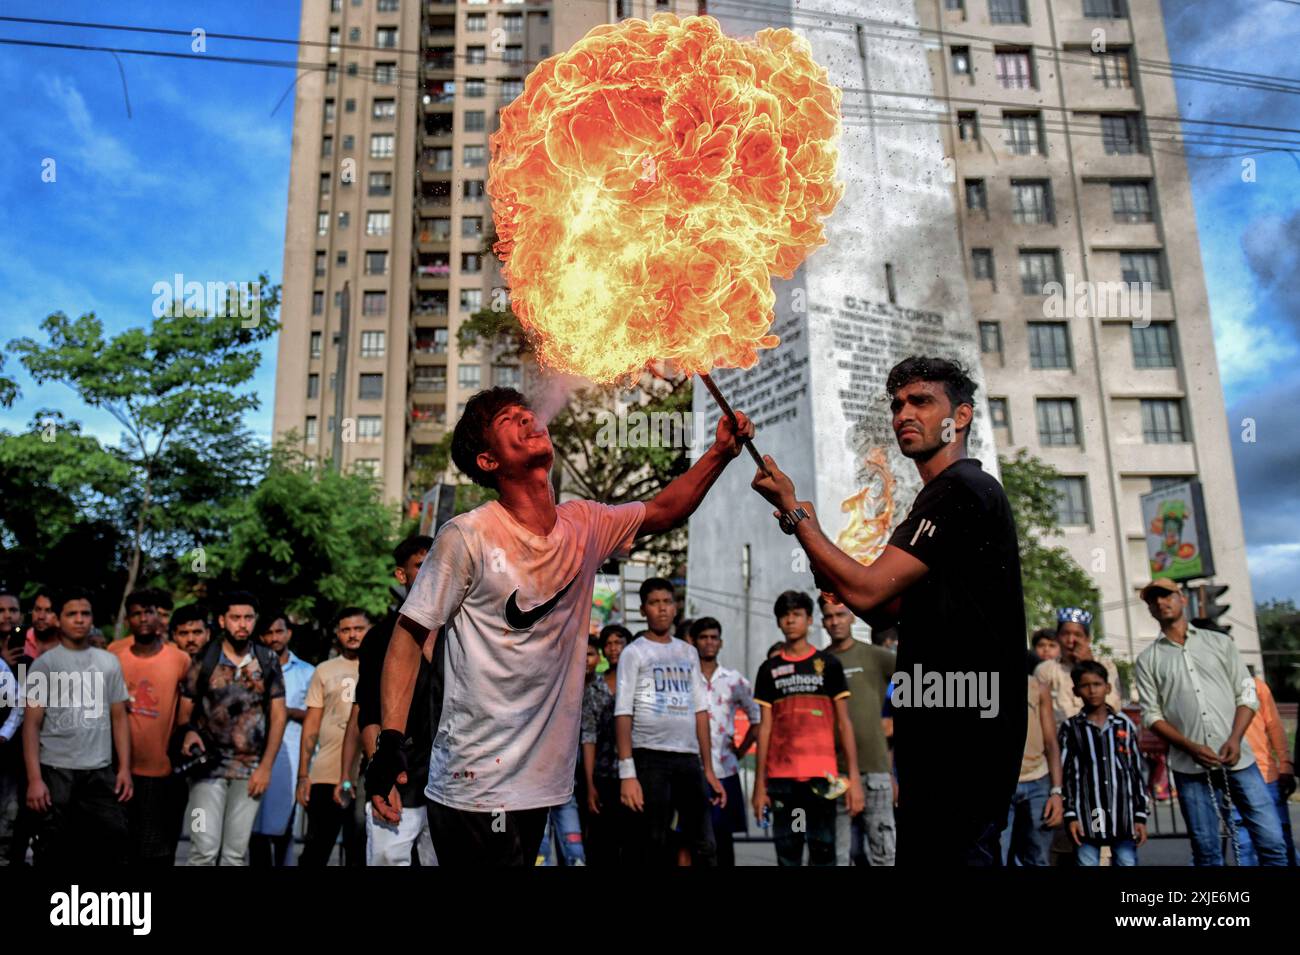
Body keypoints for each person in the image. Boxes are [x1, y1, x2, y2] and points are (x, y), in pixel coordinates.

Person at [367, 387, 752, 866]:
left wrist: (719, 452)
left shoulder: (586, 524)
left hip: (540, 785)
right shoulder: (467, 535)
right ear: (488, 461)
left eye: (527, 411)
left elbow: (664, 510)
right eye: (510, 419)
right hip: (472, 784)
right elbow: (408, 637)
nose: (529, 419)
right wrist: (389, 744)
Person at [751, 356, 1025, 866]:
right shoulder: (936, 500)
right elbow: (882, 609)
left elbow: (870, 590)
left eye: (921, 401)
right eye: (897, 403)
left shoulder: (961, 489)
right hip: (938, 736)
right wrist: (822, 561)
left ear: (960, 416)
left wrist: (797, 513)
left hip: (965, 737)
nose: (903, 413)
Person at [1133, 578, 1288, 866]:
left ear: (1181, 598)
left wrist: (1234, 738)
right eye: (1153, 600)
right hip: (1189, 766)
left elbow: (1247, 694)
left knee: (1272, 843)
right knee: (1207, 853)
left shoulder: (1219, 643)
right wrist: (1191, 747)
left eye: (1166, 595)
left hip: (1238, 758)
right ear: (1150, 610)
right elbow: (1151, 715)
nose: (1160, 603)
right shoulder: (1148, 659)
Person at [752, 590, 863, 866]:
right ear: (778, 622)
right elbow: (764, 729)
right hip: (782, 779)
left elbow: (844, 723)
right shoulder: (769, 669)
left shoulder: (828, 665)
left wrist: (854, 780)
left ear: (810, 620)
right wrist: (759, 786)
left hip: (822, 777)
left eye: (797, 615)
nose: (791, 621)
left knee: (822, 852)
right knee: (788, 855)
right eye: (785, 616)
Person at [616, 579, 722, 866]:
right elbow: (623, 712)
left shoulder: (688, 653)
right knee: (653, 842)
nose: (661, 609)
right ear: (643, 610)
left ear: (675, 608)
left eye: (667, 602)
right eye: (654, 603)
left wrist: (709, 769)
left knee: (704, 842)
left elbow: (700, 711)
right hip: (649, 756)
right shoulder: (634, 652)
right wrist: (628, 774)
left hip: (687, 759)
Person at [22, 588, 132, 866]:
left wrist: (124, 769)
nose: (80, 620)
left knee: (110, 845)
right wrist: (35, 780)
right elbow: (31, 726)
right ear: (58, 619)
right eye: (72, 614)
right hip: (57, 770)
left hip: (99, 771)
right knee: (55, 849)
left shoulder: (108, 662)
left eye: (85, 614)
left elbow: (119, 718)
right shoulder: (44, 665)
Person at [179, 591, 287, 866]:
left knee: (234, 855)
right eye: (235, 617)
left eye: (248, 617)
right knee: (203, 850)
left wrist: (265, 767)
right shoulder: (206, 657)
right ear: (222, 620)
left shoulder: (267, 659)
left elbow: (277, 716)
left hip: (250, 768)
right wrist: (188, 731)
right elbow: (185, 707)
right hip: (206, 768)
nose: (242, 624)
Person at [353, 535, 438, 866]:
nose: (431, 572)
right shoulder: (380, 638)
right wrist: (382, 773)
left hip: (458, 785)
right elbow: (370, 712)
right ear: (401, 575)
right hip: (402, 780)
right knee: (388, 859)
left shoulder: (465, 631)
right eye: (420, 565)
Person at [108, 589, 191, 866]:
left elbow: (185, 713)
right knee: (120, 848)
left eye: (149, 612)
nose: (143, 618)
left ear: (159, 617)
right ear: (128, 618)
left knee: (156, 851)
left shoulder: (179, 659)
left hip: (160, 770)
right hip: (118, 768)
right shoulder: (114, 653)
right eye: (136, 613)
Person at [820, 595, 896, 866]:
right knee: (839, 856)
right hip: (834, 772)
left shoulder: (875, 656)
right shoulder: (821, 662)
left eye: (840, 615)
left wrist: (893, 721)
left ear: (851, 617)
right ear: (822, 622)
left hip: (876, 768)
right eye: (829, 617)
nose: (835, 622)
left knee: (883, 855)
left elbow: (917, 682)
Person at [298, 607, 368, 866]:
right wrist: (303, 775)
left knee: (358, 847)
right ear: (338, 634)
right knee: (317, 847)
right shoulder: (324, 670)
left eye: (358, 628)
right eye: (346, 629)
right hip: (326, 771)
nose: (352, 635)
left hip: (363, 773)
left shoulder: (382, 666)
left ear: (369, 630)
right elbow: (311, 725)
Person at [1060, 661, 1148, 866]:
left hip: (1123, 815)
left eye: (1097, 684)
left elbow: (1135, 771)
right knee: (1087, 862)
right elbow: (1068, 774)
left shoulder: (1123, 724)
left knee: (1126, 862)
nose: (1092, 690)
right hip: (1088, 814)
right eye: (1085, 685)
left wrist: (1140, 815)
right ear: (1076, 690)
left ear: (1107, 687)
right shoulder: (1072, 728)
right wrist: (1071, 814)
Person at [691, 616, 758, 868]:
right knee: (691, 839)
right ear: (694, 641)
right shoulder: (685, 677)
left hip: (725, 769)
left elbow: (757, 717)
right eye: (703, 637)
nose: (709, 642)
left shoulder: (734, 680)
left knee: (722, 840)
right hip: (690, 769)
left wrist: (740, 750)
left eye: (713, 638)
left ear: (721, 643)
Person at [249, 611, 314, 867]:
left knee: (283, 823)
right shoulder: (252, 669)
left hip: (290, 754)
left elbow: (316, 714)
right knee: (253, 825)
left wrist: (284, 711)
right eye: (268, 633)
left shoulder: (307, 672)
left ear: (289, 633)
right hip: (256, 755)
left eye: (279, 631)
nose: (274, 638)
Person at [1001, 652, 1065, 866]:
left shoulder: (1037, 687)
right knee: (998, 854)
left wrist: (1056, 791)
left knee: (1038, 857)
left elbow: (1051, 742)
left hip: (1038, 781)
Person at [1232, 672, 1296, 865]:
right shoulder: (1208, 689)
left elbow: (1274, 726)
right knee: (1244, 845)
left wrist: (1285, 765)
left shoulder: (1256, 686)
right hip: (1233, 778)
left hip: (1266, 775)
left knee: (1282, 842)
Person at [582, 623, 629, 866]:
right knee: (602, 845)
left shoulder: (640, 685)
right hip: (604, 775)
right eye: (608, 644)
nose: (613, 648)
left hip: (635, 776)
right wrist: (590, 784)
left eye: (618, 642)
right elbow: (588, 736)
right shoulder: (594, 689)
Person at [1035, 608, 1121, 724]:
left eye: (1077, 635)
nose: (1071, 640)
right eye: (1065, 634)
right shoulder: (1045, 670)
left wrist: (1089, 665)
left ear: (1088, 639)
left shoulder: (1107, 666)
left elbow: (1113, 706)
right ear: (1058, 637)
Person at [21, 589, 59, 661]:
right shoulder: (22, 639)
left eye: (48, 611)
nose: (41, 616)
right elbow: (21, 671)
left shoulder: (68, 642)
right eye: (37, 609)